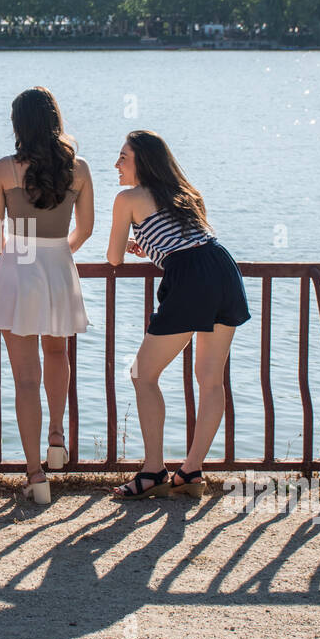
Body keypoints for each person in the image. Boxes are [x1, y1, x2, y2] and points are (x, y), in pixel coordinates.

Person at [106, 130, 250, 499]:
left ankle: (153, 470)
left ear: (142, 160)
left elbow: (113, 257)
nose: (117, 164)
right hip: (221, 267)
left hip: (189, 279)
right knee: (210, 378)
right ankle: (191, 471)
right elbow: (183, 241)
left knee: (143, 373)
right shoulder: (186, 194)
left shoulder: (127, 198)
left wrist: (138, 247)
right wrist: (154, 249)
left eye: (123, 157)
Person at [0, 87, 93, 504]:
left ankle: (36, 476)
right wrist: (60, 252)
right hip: (59, 265)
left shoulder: (3, 169)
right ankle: (57, 436)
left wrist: (17, 255)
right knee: (59, 355)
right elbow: (86, 228)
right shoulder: (78, 168)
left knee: (25, 379)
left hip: (19, 265)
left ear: (18, 125)